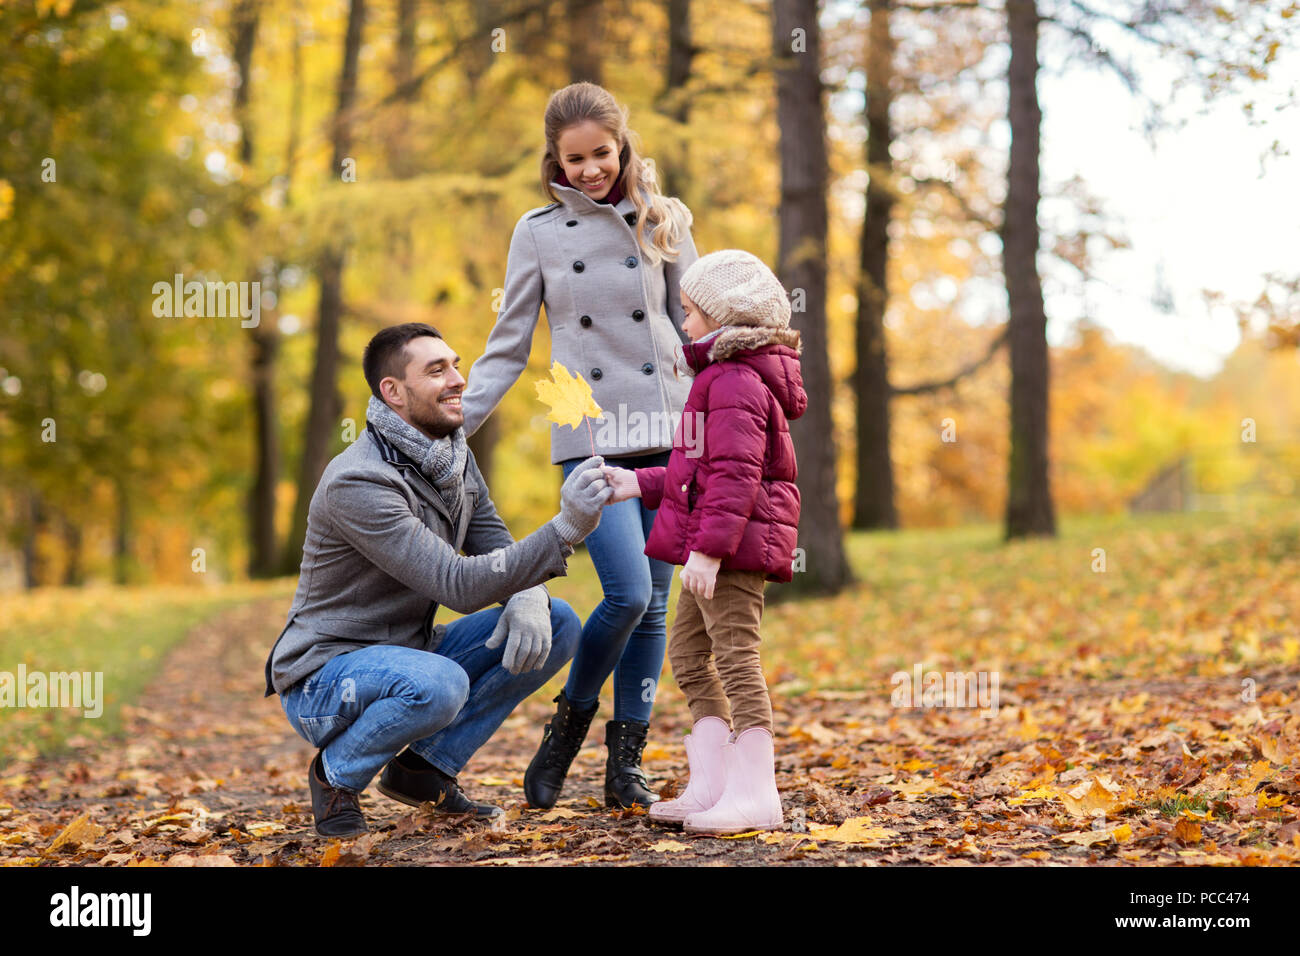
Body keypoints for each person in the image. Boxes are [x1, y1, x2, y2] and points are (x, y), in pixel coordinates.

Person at [263, 322, 614, 837]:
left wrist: (530, 594)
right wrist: (566, 529)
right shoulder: (359, 480)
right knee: (440, 683)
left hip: (409, 653)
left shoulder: (452, 455)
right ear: (394, 392)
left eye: (455, 364)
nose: (457, 379)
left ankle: (423, 770)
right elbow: (457, 585)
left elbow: (493, 539)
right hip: (326, 677)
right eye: (436, 370)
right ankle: (335, 775)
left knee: (558, 622)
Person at [460, 82, 699, 809]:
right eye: (576, 158)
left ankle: (624, 765)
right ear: (555, 161)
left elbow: (698, 322)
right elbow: (507, 348)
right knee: (625, 594)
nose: (592, 169)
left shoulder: (666, 218)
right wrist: (448, 422)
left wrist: (741, 391)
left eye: (602, 153)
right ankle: (568, 726)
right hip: (590, 427)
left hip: (668, 426)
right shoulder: (535, 231)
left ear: (621, 146)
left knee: (656, 606)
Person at [602, 250, 806, 834]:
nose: (683, 322)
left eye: (689, 311)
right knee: (690, 656)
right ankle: (715, 783)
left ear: (725, 320)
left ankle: (756, 792)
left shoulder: (736, 379)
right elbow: (697, 470)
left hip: (732, 550)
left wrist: (709, 551)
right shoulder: (718, 377)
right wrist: (633, 482)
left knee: (737, 657)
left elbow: (737, 476)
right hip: (713, 546)